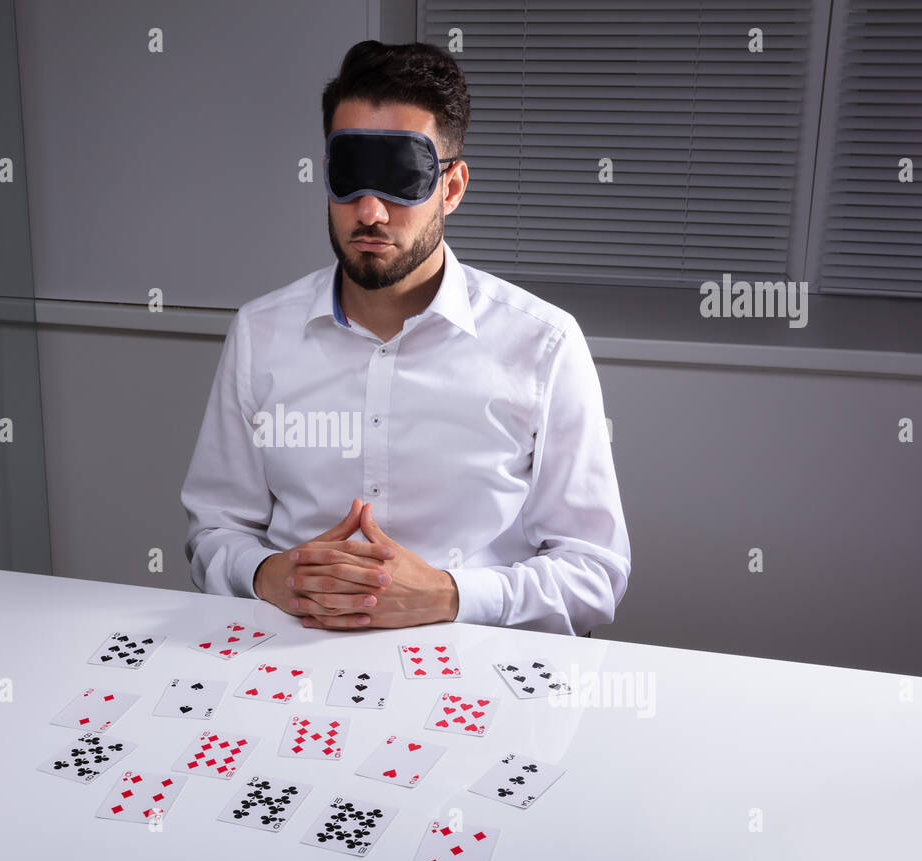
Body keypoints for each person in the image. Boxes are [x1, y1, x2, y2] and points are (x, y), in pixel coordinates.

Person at [181, 40, 630, 636]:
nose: (370, 211)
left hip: (474, 663)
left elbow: (595, 571)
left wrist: (450, 595)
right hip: (291, 660)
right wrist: (267, 574)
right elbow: (214, 531)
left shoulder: (543, 345)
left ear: (452, 187)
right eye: (350, 177)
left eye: (401, 177)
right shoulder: (260, 333)